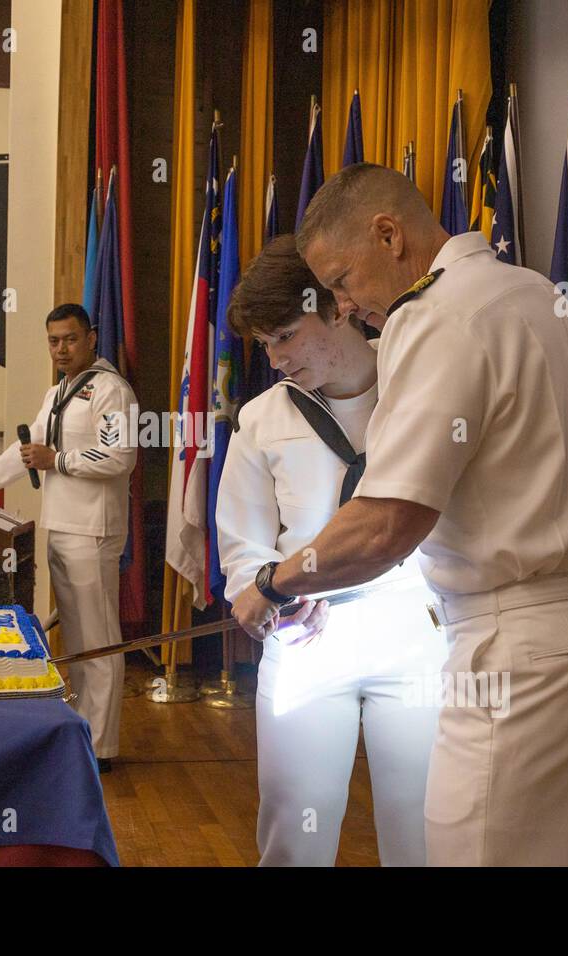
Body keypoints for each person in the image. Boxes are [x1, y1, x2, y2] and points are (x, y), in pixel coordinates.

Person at [232, 163, 568, 866]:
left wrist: (274, 586)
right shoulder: (537, 293)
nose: (345, 304)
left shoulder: (435, 317)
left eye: (341, 281)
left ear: (388, 235)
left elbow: (388, 524)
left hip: (517, 649)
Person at [217, 236, 446, 866]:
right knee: (295, 827)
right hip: (306, 639)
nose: (276, 359)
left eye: (286, 335)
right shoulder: (262, 419)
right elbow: (242, 543)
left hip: (418, 634)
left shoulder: (422, 388)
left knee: (424, 827)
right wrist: (275, 594)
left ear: (337, 308)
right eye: (265, 345)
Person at [0, 304, 137, 772]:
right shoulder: (58, 392)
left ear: (92, 338)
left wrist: (56, 459)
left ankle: (100, 749)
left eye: (70, 339)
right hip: (60, 526)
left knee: (98, 641)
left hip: (93, 530)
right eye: (54, 341)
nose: (61, 349)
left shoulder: (112, 391)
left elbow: (121, 457)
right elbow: (25, 455)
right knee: (77, 642)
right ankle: (83, 736)